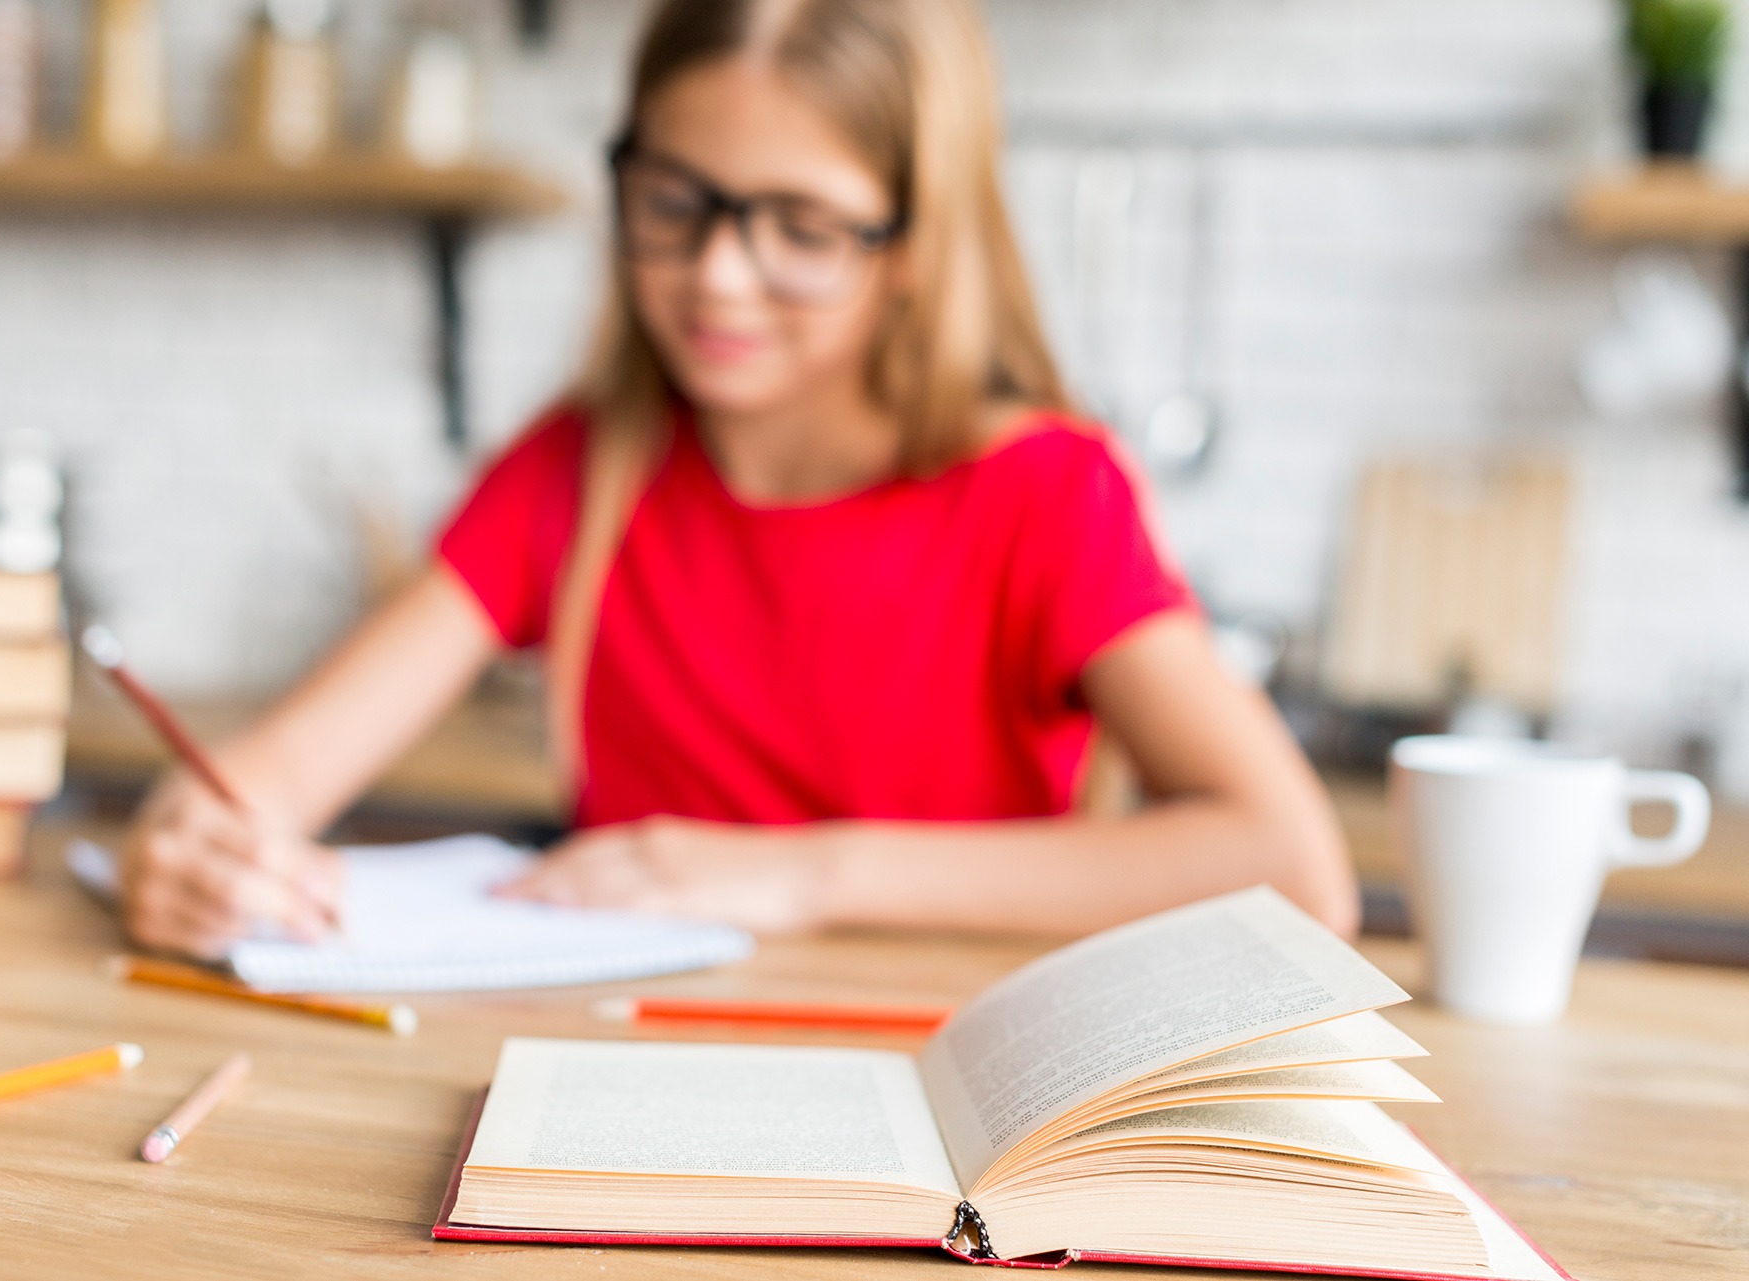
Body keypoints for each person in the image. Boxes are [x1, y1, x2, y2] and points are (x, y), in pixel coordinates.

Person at [119, 0, 1357, 960]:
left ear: (917, 248)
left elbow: (1298, 872)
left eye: (800, 228)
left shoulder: (1044, 495)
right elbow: (261, 782)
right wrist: (196, 847)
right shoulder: (572, 473)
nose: (717, 274)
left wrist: (806, 874)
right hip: (618, 1083)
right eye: (676, 201)